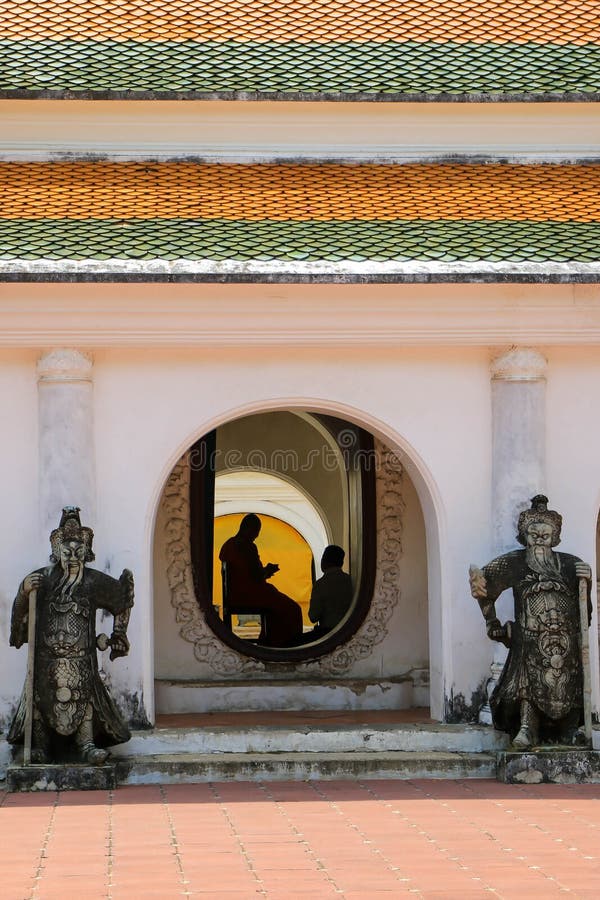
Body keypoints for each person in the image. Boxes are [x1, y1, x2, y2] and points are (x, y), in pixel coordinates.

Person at [8, 507, 134, 764]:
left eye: (79, 552)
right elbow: (20, 613)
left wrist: (118, 633)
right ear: (57, 552)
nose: (73, 558)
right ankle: (39, 746)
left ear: (86, 553)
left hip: (82, 660)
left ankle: (86, 745)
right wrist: (23, 591)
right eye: (67, 552)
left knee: (83, 700)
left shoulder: (93, 582)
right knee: (41, 701)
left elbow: (122, 598)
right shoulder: (42, 579)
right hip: (45, 661)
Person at [469, 495, 592, 748]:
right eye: (533, 534)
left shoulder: (570, 564)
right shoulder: (515, 562)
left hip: (566, 638)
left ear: (555, 537)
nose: (539, 539)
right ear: (524, 535)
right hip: (530, 637)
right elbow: (484, 587)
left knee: (568, 681)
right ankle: (528, 727)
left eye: (545, 535)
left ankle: (571, 729)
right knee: (528, 682)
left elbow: (584, 613)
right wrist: (492, 622)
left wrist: (586, 582)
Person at [219, 513, 303, 647]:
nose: (256, 536)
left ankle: (269, 640)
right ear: (248, 529)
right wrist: (268, 571)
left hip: (235, 594)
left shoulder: (228, 544)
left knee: (276, 607)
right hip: (250, 594)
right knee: (293, 609)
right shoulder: (248, 547)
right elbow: (256, 575)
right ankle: (284, 645)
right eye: (256, 531)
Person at [308, 545, 353, 637]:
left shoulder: (320, 584)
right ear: (341, 562)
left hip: (328, 633)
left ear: (325, 561)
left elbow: (313, 617)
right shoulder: (351, 580)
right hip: (349, 630)